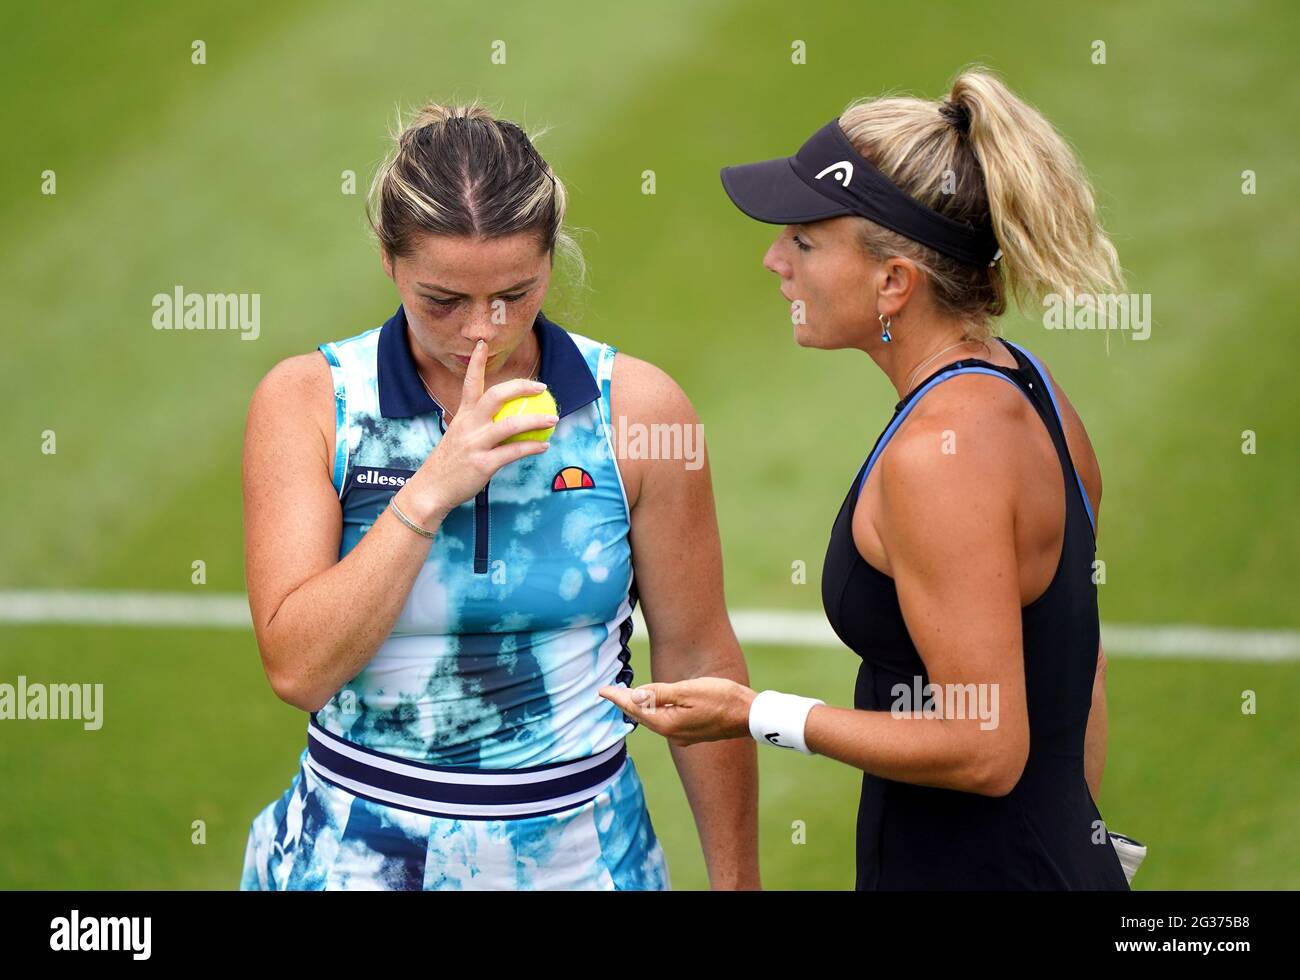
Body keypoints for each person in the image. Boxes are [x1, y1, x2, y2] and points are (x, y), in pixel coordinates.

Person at [602, 68, 1132, 889]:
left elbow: (987, 749)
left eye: (806, 242)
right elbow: (1078, 670)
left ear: (894, 282)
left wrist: (755, 713)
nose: (774, 260)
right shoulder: (1032, 387)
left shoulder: (938, 459)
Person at [239, 101, 757, 890]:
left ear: (551, 255)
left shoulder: (640, 410)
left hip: (587, 865)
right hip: (352, 862)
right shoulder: (310, 402)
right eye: (443, 300)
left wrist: (737, 881)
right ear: (387, 257)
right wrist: (430, 491)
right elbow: (299, 670)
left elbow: (696, 654)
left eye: (515, 293)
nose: (482, 330)